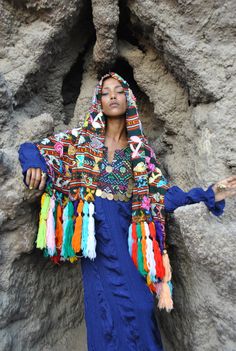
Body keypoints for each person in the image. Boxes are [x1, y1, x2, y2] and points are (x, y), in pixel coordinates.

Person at [18, 72, 236, 351]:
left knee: (142, 306)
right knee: (103, 312)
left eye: (118, 90)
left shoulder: (140, 154)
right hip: (96, 242)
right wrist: (33, 163)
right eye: (105, 91)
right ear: (99, 101)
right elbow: (32, 148)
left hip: (129, 237)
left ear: (128, 99)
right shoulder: (81, 141)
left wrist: (209, 194)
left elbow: (162, 196)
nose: (112, 95)